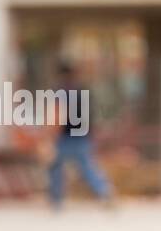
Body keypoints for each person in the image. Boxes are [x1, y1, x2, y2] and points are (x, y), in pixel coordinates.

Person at [47, 62, 116, 212]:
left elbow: (58, 115)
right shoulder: (83, 90)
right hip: (83, 135)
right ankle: (103, 191)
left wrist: (51, 135)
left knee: (55, 167)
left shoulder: (60, 91)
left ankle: (56, 200)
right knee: (87, 167)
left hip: (64, 137)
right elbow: (91, 115)